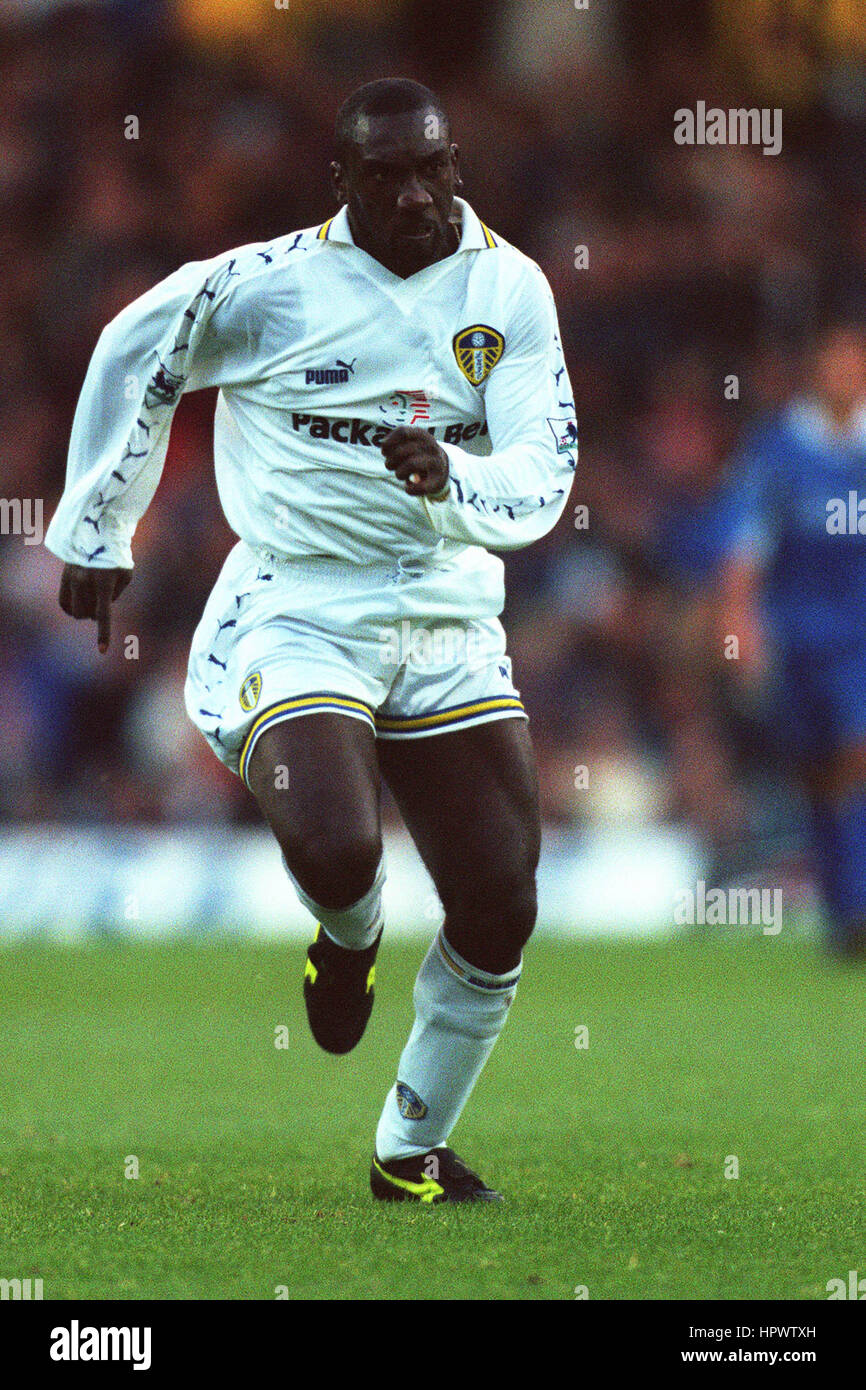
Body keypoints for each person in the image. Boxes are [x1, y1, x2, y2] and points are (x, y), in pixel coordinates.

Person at [45, 78, 578, 1201]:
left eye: (431, 167)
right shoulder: (263, 285)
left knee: (501, 899)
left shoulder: (510, 290)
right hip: (298, 606)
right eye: (383, 174)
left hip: (443, 612)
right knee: (339, 846)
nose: (414, 193)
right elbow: (132, 349)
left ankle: (407, 1152)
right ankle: (349, 934)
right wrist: (99, 524)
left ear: (457, 166)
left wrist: (457, 476)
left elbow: (543, 467)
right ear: (340, 182)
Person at [718, 322, 866, 958]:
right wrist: (740, 626)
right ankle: (840, 913)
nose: (844, 374)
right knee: (818, 774)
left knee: (857, 756)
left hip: (859, 639)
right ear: (816, 371)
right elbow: (744, 549)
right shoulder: (777, 450)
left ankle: (858, 910)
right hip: (799, 636)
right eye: (834, 362)